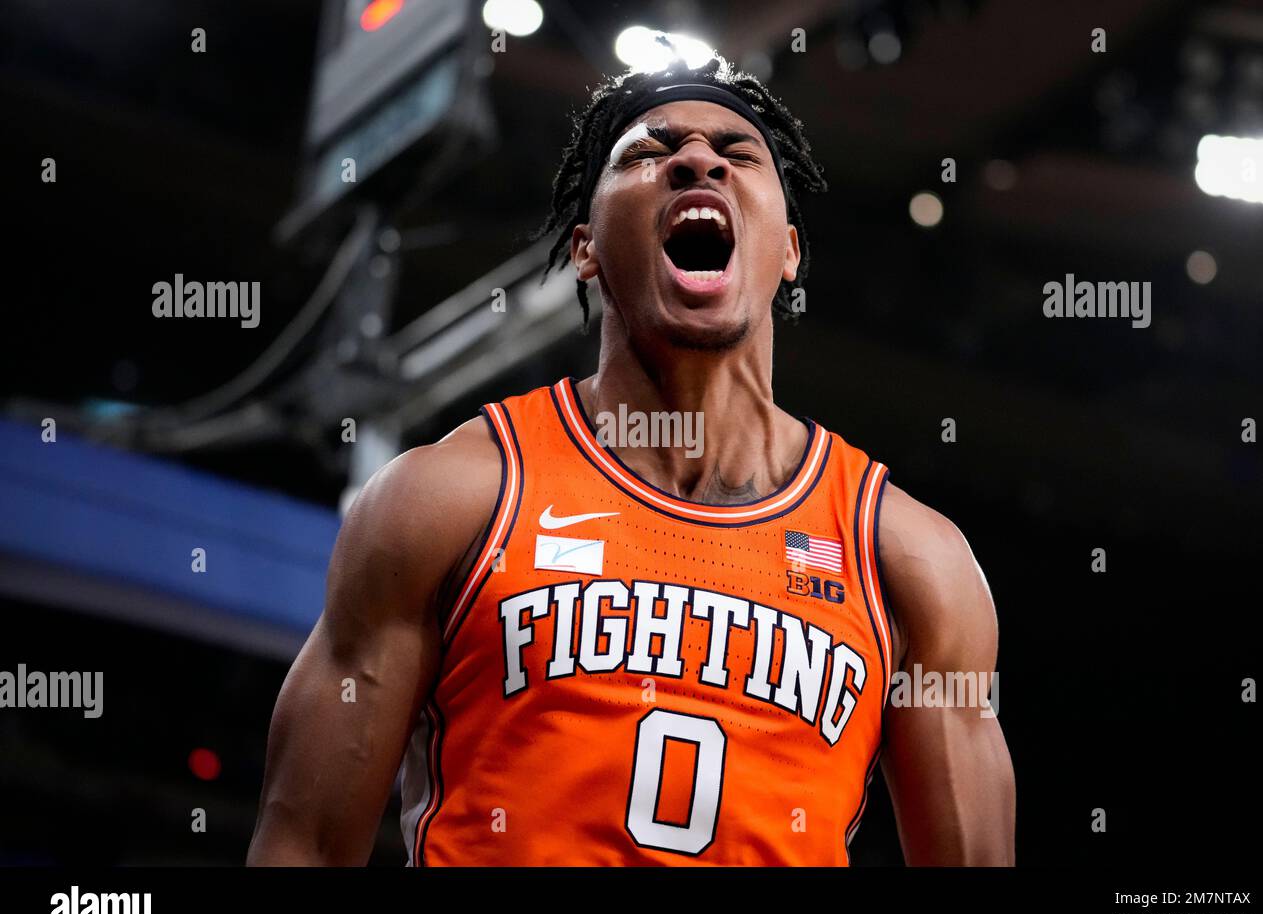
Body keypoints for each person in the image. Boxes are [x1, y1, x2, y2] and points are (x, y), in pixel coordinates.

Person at [247, 56, 1014, 866]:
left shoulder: (912, 559)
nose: (696, 161)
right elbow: (303, 845)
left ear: (789, 250)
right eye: (649, 153)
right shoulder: (451, 495)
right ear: (583, 249)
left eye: (737, 153)